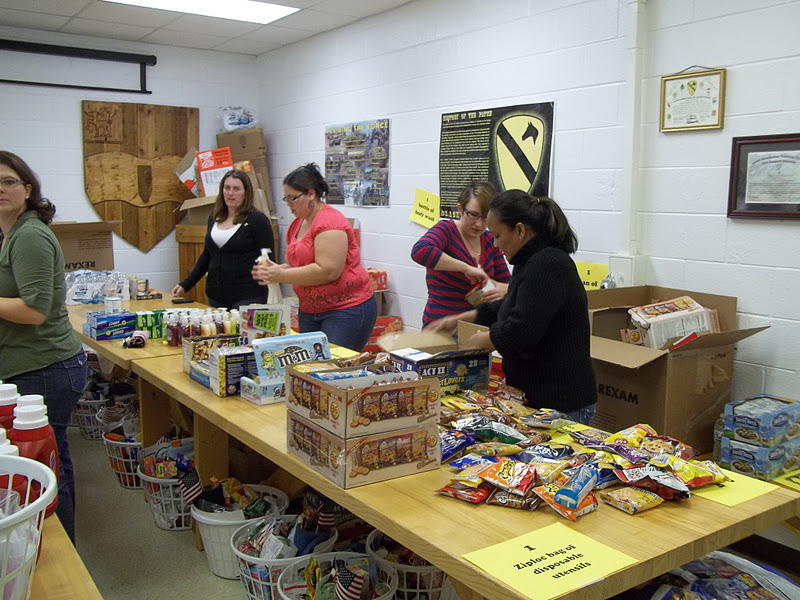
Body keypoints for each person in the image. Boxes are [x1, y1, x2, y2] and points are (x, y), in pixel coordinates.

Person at [426, 190, 597, 424]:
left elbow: (521, 332)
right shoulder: (528, 259)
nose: (495, 245)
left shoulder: (547, 264)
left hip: (562, 402)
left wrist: (482, 342)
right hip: (536, 397)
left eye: (497, 236)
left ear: (519, 230)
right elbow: (513, 305)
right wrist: (467, 317)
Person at [0, 151, 88, 543]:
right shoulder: (11, 232)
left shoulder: (30, 235)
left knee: (48, 464)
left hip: (45, 368)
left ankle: (62, 549)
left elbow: (35, 310)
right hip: (30, 365)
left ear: (27, 188)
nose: (0, 190)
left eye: (7, 181)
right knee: (45, 460)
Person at [251, 163, 376, 351]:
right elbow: (295, 265)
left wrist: (281, 275)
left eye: (293, 198)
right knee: (310, 368)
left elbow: (328, 271)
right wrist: (273, 270)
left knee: (332, 368)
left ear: (311, 194)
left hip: (345, 309)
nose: (288, 204)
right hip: (310, 310)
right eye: (286, 198)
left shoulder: (330, 223)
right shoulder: (297, 224)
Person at [411, 181, 511, 327]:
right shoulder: (446, 230)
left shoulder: (490, 240)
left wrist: (504, 289)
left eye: (485, 218)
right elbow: (420, 251)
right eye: (473, 215)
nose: (479, 224)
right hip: (441, 325)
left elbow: (506, 281)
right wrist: (466, 268)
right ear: (460, 209)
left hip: (476, 325)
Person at [172, 169, 274, 309]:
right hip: (216, 296)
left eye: (236, 189)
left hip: (248, 296)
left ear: (246, 193)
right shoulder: (214, 218)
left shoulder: (257, 220)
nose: (230, 193)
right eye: (227, 188)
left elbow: (268, 257)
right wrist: (186, 284)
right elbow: (207, 255)